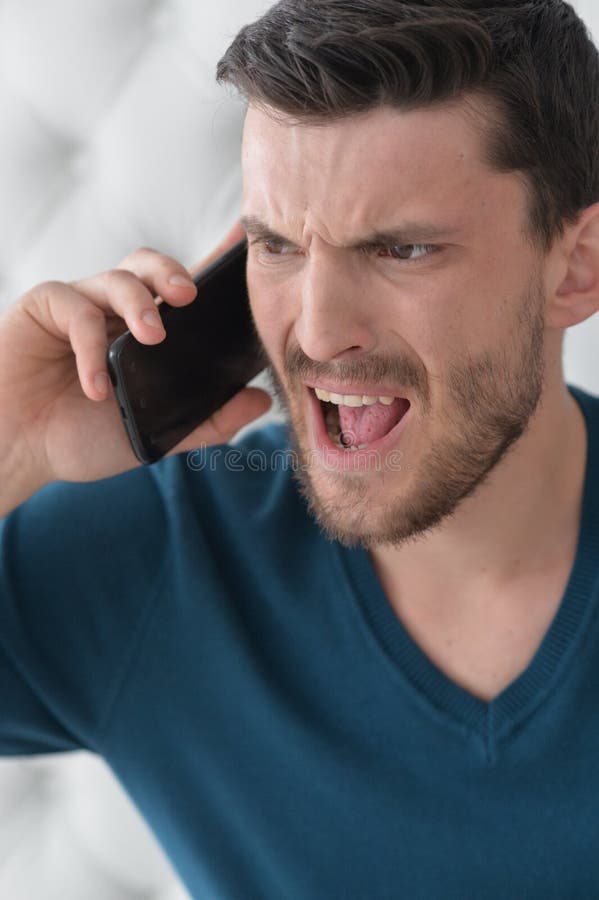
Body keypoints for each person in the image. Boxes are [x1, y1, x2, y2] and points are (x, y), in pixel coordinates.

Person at [1, 0, 599, 895]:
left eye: (401, 249)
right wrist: (13, 450)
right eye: (277, 246)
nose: (316, 332)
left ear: (576, 264)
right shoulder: (165, 547)